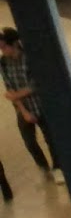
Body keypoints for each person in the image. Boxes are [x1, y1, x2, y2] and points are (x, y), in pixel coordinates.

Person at [0, 29, 59, 183]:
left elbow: (36, 85)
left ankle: (57, 168)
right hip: (23, 109)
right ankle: (44, 167)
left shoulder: (30, 58)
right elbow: (9, 87)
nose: (2, 51)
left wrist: (16, 95)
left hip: (41, 105)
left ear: (14, 44)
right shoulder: (3, 63)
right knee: (30, 143)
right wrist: (23, 110)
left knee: (51, 140)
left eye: (4, 47)